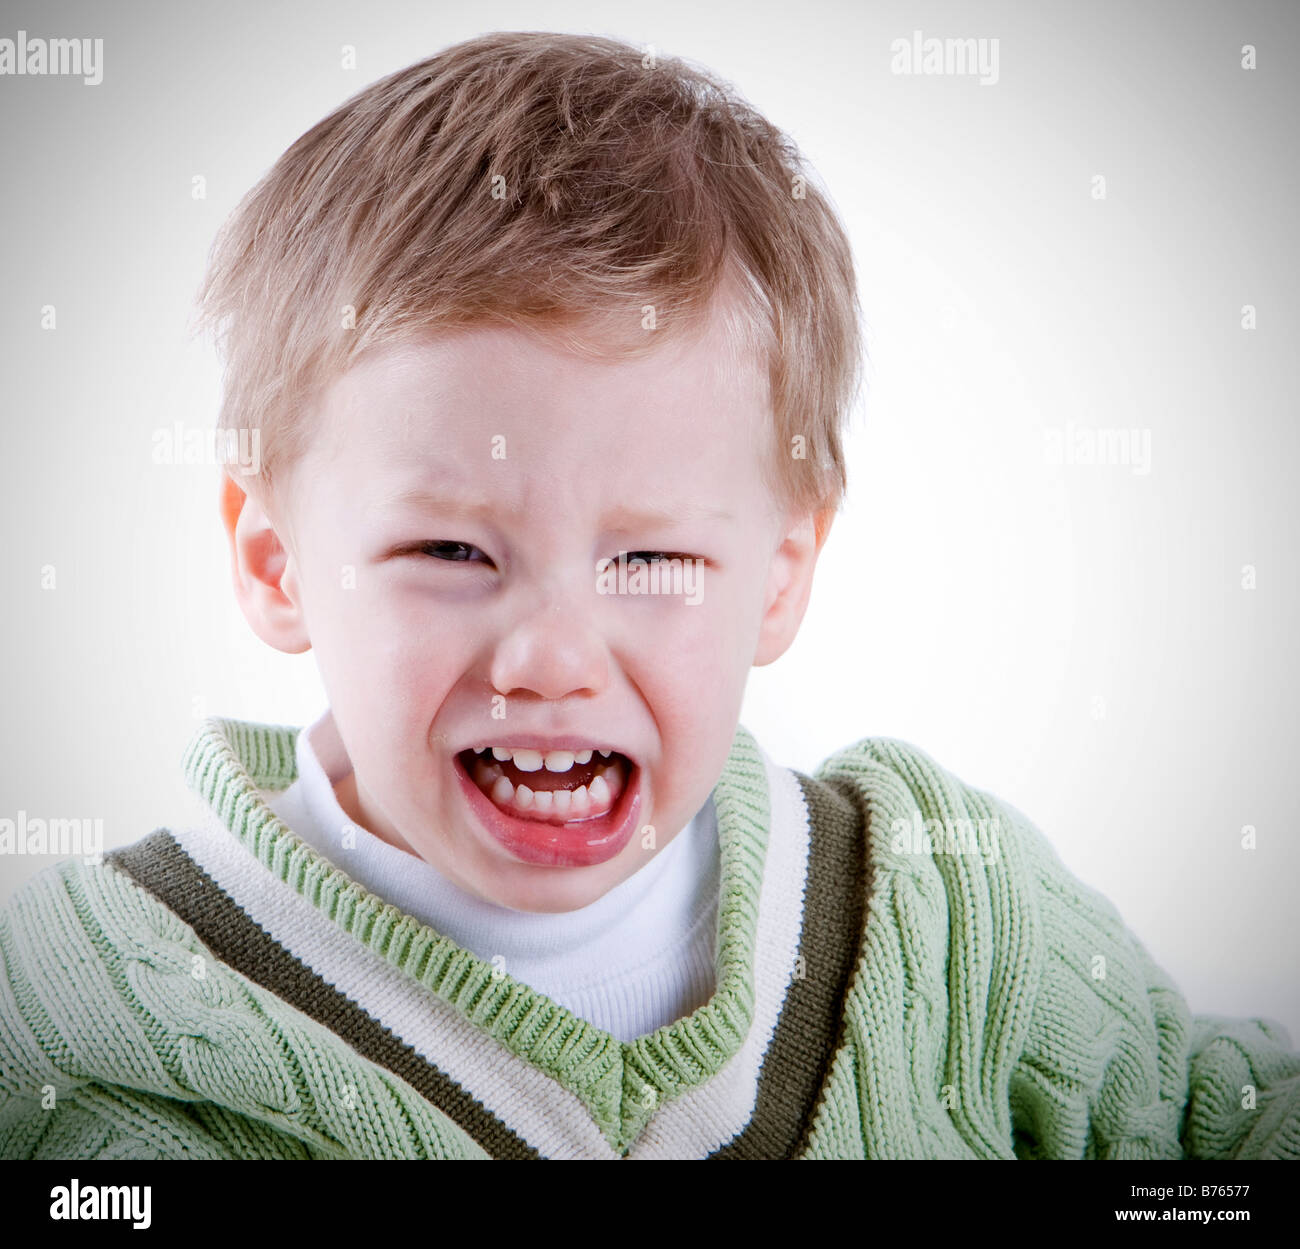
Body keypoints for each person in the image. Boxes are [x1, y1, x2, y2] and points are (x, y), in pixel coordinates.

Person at [2, 30, 1296, 1161]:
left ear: (781, 574)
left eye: (652, 560)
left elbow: (1215, 1121)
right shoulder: (89, 1025)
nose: (553, 657)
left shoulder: (952, 916)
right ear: (274, 562)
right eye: (452, 554)